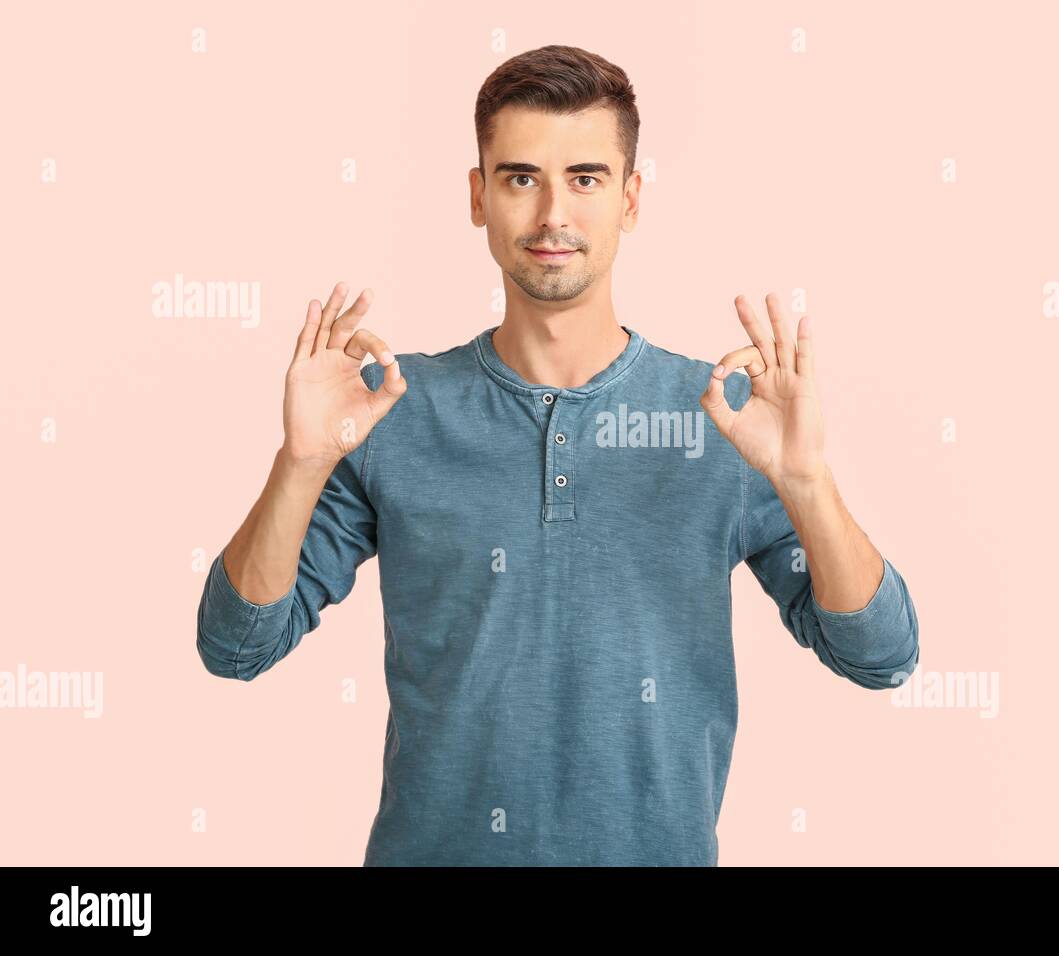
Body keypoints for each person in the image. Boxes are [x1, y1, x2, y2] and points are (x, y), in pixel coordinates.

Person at [196, 44, 918, 866]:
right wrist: (299, 461)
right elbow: (235, 647)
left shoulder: (722, 419)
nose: (552, 218)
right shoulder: (392, 410)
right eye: (519, 178)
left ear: (630, 198)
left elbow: (882, 658)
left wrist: (806, 482)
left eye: (585, 178)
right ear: (478, 196)